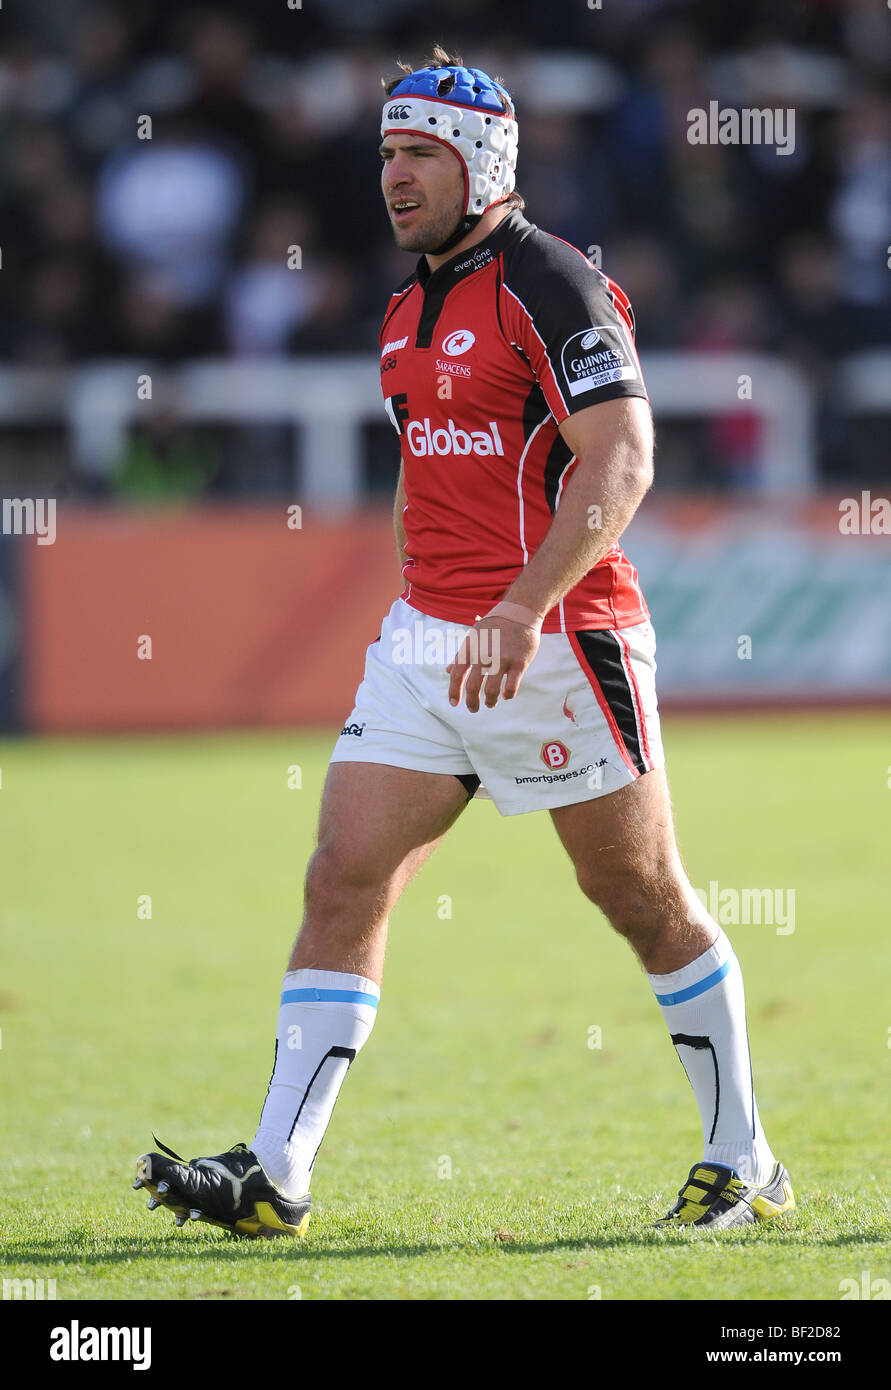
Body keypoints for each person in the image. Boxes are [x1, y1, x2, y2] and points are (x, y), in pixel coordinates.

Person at [133, 49, 794, 1236]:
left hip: (557, 639)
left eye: (419, 154)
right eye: (386, 152)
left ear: (483, 162)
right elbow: (426, 471)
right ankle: (278, 1171)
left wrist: (523, 604)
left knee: (638, 895)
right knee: (344, 876)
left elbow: (622, 461)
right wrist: (427, 603)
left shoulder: (557, 284)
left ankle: (744, 1156)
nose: (393, 176)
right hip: (429, 647)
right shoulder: (401, 309)